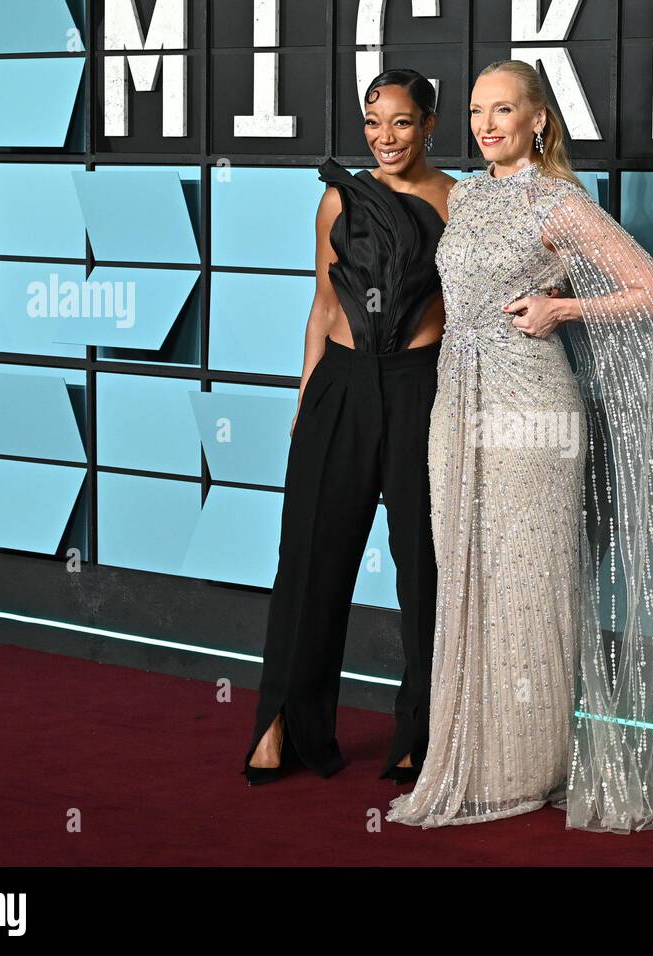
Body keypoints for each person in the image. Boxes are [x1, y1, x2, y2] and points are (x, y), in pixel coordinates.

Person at [386, 60, 653, 832]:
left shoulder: (559, 201)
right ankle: (472, 749)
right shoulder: (471, 193)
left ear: (538, 120)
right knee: (465, 573)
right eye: (477, 110)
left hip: (531, 410)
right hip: (457, 404)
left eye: (503, 109)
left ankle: (526, 765)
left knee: (526, 577)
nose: (485, 125)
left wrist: (561, 308)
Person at [242, 69, 456, 786]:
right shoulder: (339, 197)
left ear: (430, 124)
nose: (384, 137)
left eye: (401, 122)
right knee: (308, 560)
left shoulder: (461, 200)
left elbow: (467, 317)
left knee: (424, 570)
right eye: (372, 122)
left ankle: (420, 734)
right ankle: (282, 725)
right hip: (340, 384)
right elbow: (323, 306)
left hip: (420, 388)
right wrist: (308, 400)